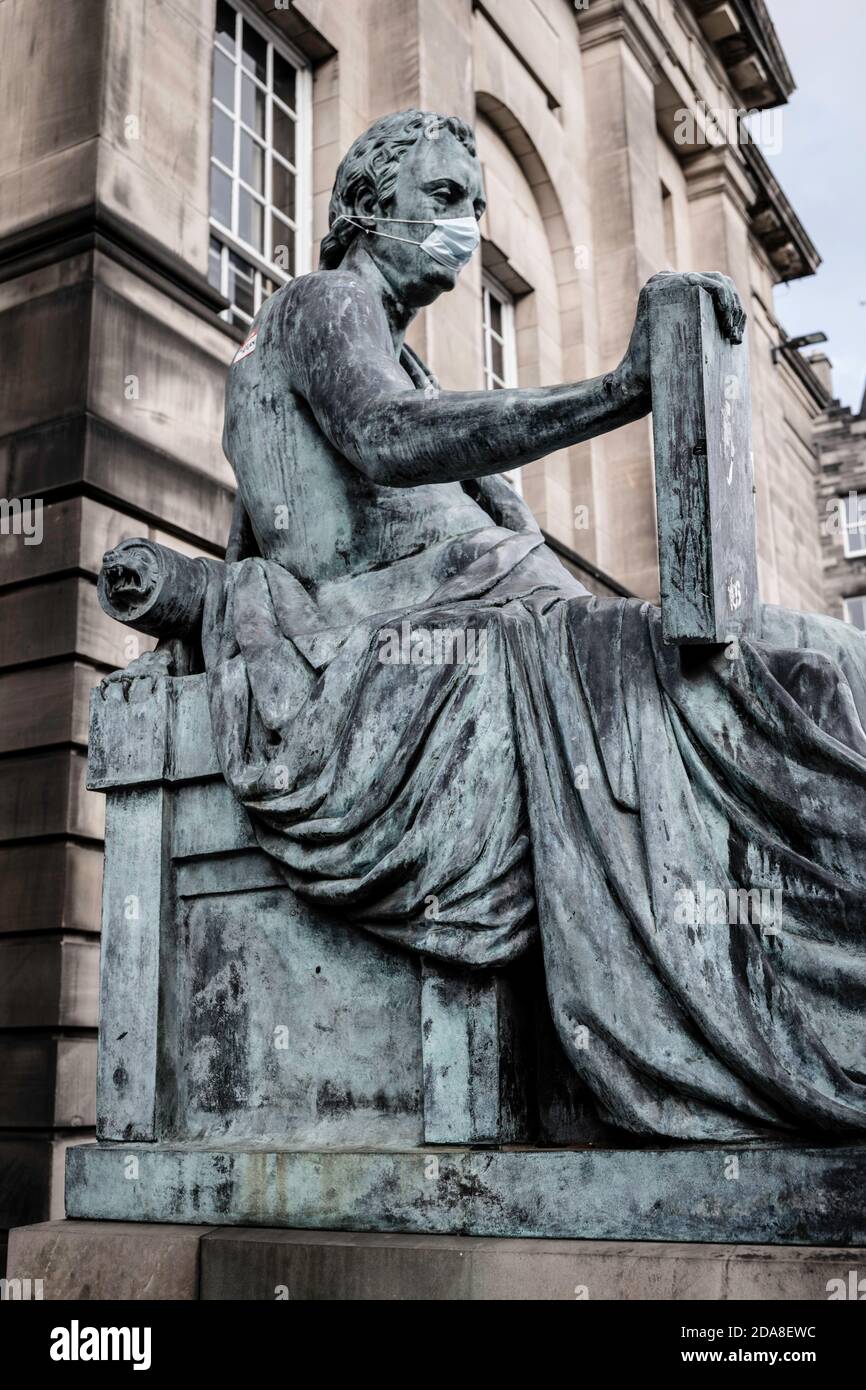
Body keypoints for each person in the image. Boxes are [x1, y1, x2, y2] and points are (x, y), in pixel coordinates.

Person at [118, 110, 866, 1141]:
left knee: (809, 668)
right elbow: (382, 443)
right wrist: (617, 392)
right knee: (780, 682)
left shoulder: (407, 360)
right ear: (369, 207)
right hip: (409, 642)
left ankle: (801, 1010)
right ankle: (790, 1035)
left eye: (473, 204)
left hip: (512, 618)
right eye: (443, 200)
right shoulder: (319, 303)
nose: (465, 227)